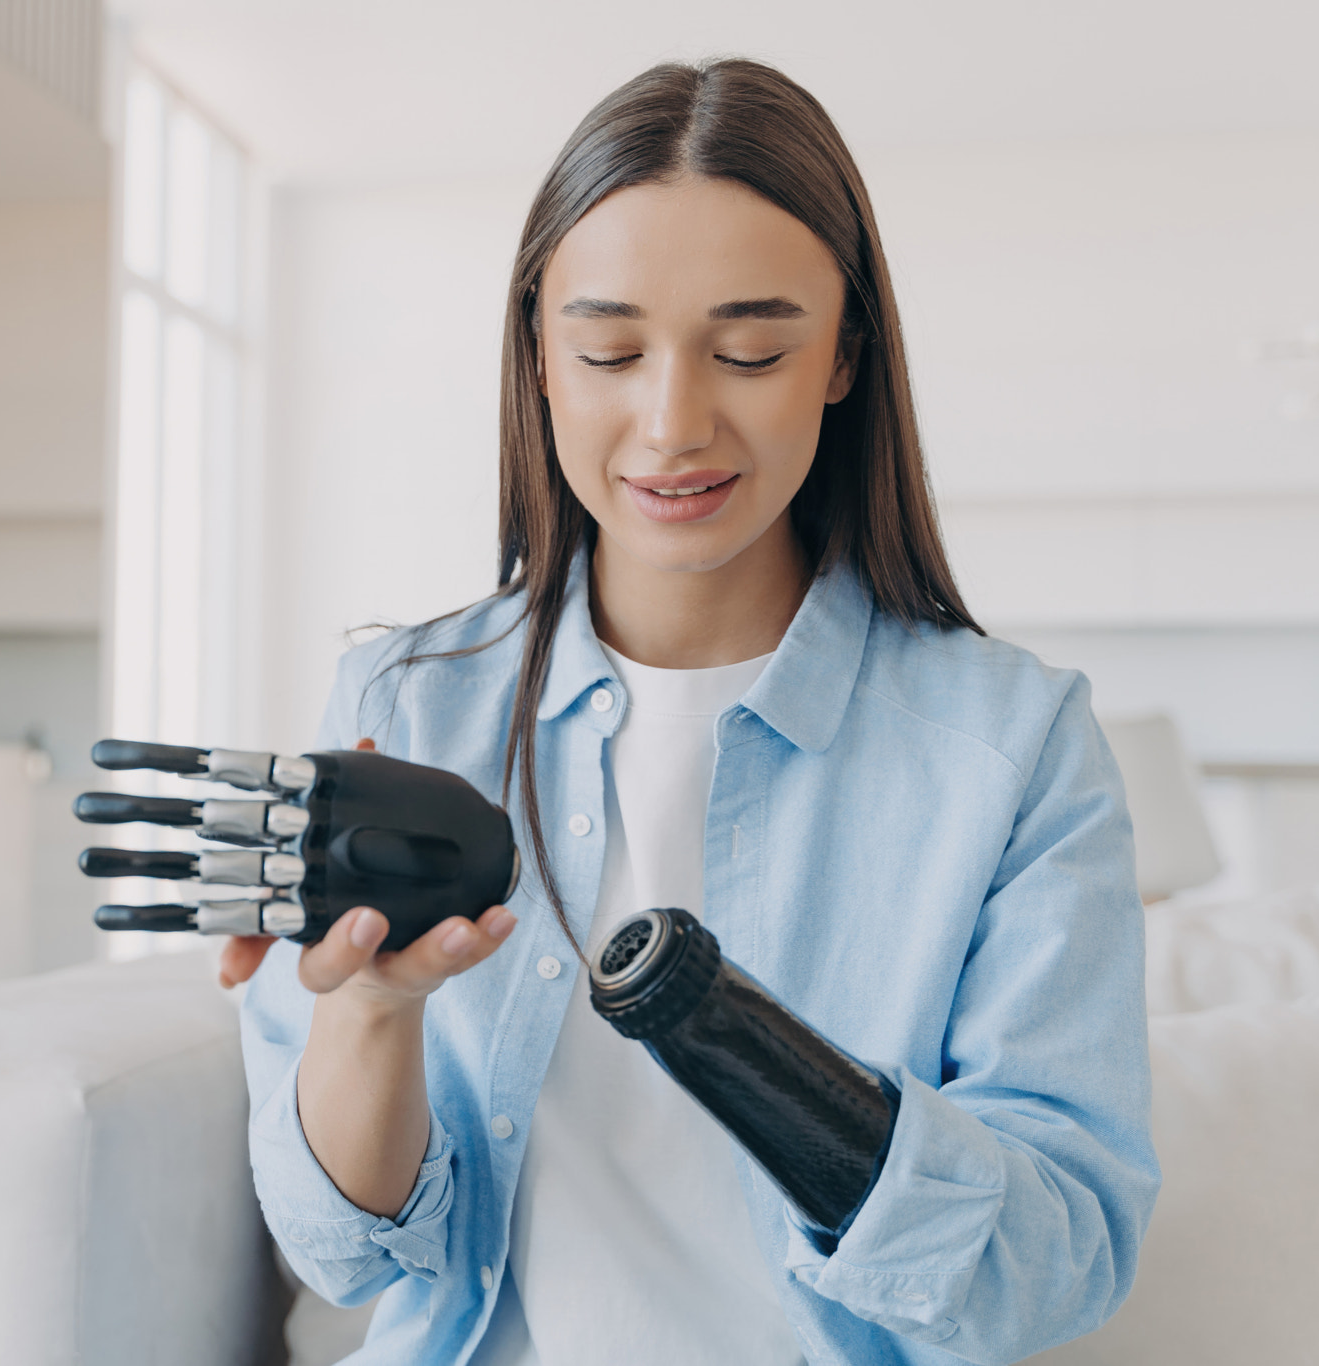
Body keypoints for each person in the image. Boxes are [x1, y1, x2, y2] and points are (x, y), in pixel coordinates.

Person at [221, 57, 1159, 1365]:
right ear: (539, 358)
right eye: (608, 348)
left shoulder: (1016, 749)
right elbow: (341, 1251)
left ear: (842, 360)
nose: (671, 422)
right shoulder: (404, 707)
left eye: (751, 350)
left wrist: (755, 1056)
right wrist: (368, 1011)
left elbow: (1052, 1261)